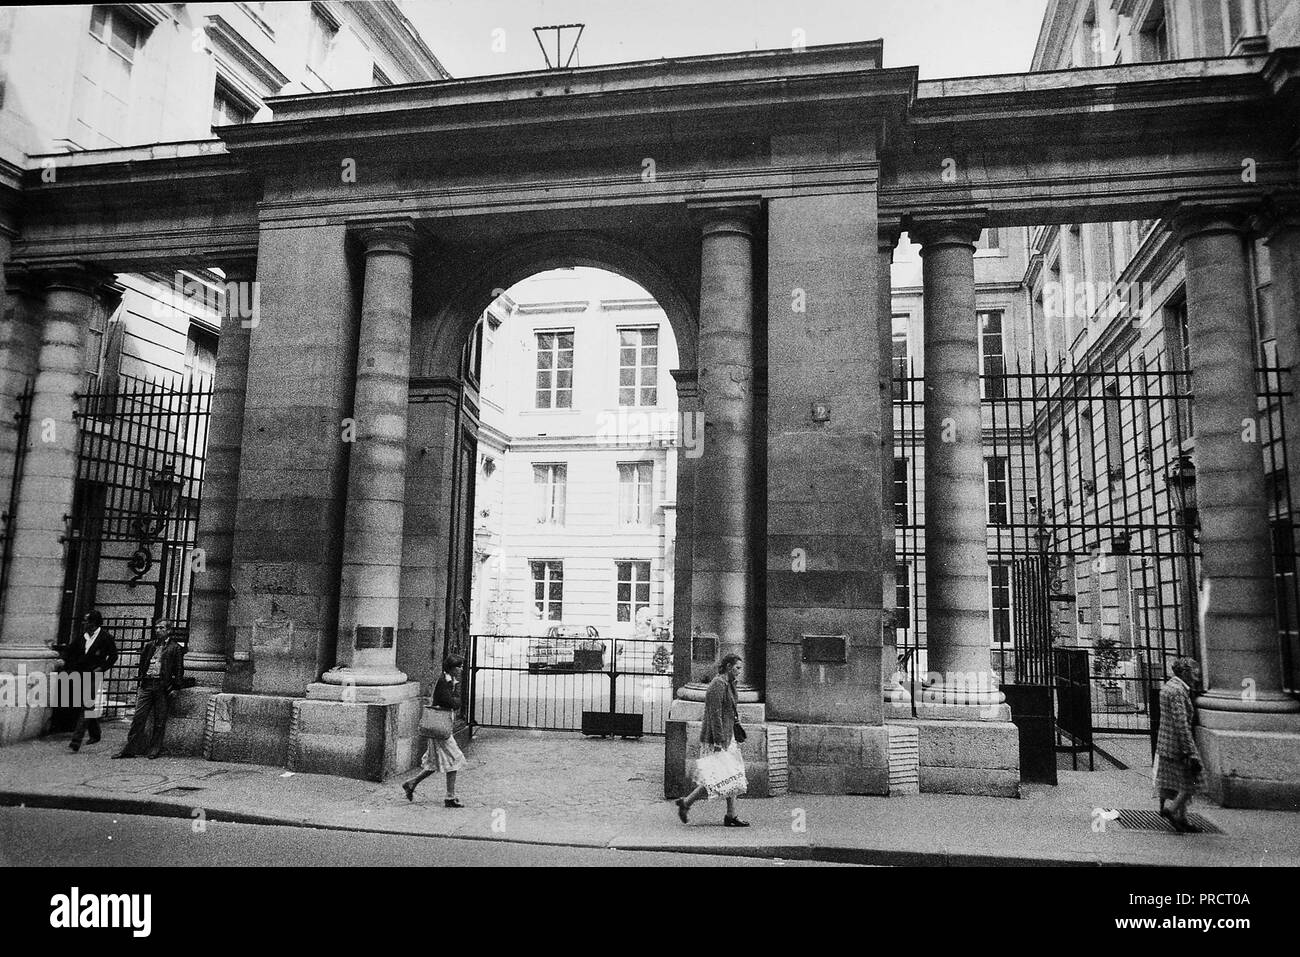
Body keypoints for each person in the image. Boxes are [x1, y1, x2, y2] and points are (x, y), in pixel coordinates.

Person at [675, 653, 749, 827]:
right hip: (717, 739)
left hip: (727, 737)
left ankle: (730, 814)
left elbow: (729, 711)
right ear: (729, 666)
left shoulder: (729, 684)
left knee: (732, 775)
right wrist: (718, 741)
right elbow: (714, 715)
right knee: (716, 777)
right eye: (737, 668)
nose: (739, 671)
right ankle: (686, 803)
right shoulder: (717, 685)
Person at [113, 619, 184, 760]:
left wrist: (175, 687)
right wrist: (141, 678)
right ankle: (130, 749)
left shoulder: (175, 648)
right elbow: (143, 663)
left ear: (169, 630)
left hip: (162, 687)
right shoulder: (149, 646)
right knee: (138, 718)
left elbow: (179, 669)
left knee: (159, 720)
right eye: (156, 628)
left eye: (161, 628)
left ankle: (154, 749)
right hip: (147, 684)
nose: (157, 630)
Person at [402, 654, 467, 807]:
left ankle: (411, 783)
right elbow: (450, 702)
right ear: (451, 668)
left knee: (433, 762)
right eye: (459, 666)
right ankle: (450, 797)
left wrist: (455, 697)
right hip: (440, 728)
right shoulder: (444, 682)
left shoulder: (450, 681)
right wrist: (456, 699)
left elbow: (452, 701)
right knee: (455, 758)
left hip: (439, 727)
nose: (461, 669)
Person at [1155, 656, 1202, 833]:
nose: (1197, 675)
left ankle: (1182, 819)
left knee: (1180, 783)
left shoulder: (1170, 686)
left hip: (1167, 743)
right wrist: (1190, 750)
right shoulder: (1177, 691)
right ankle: (1172, 810)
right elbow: (1181, 722)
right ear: (1185, 673)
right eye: (1194, 672)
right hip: (1177, 745)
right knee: (1191, 782)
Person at [66, 610, 118, 752]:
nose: (83, 623)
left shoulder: (105, 637)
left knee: (87, 705)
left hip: (94, 675)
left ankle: (75, 741)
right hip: (80, 674)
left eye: (86, 621)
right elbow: (71, 652)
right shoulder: (81, 637)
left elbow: (113, 656)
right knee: (86, 705)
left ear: (93, 623)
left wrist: (101, 668)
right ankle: (95, 733)